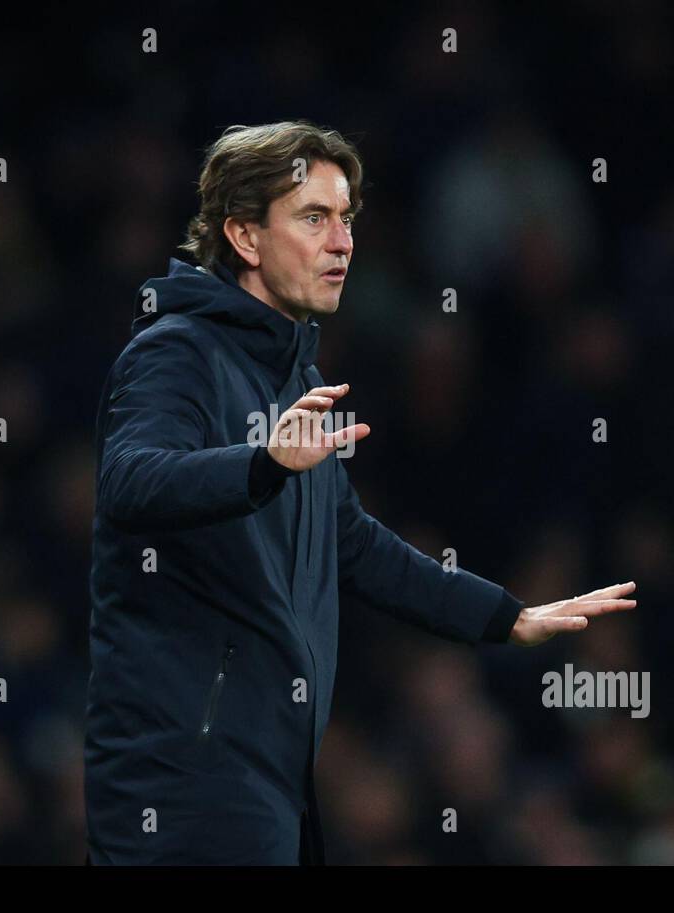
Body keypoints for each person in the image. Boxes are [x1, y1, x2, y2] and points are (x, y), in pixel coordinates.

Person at [83, 120, 637, 865]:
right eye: (314, 218)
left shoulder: (298, 379)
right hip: (185, 775)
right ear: (245, 237)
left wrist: (506, 616)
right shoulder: (177, 353)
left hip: (267, 772)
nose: (342, 242)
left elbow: (353, 544)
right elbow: (130, 481)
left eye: (347, 218)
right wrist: (262, 462)